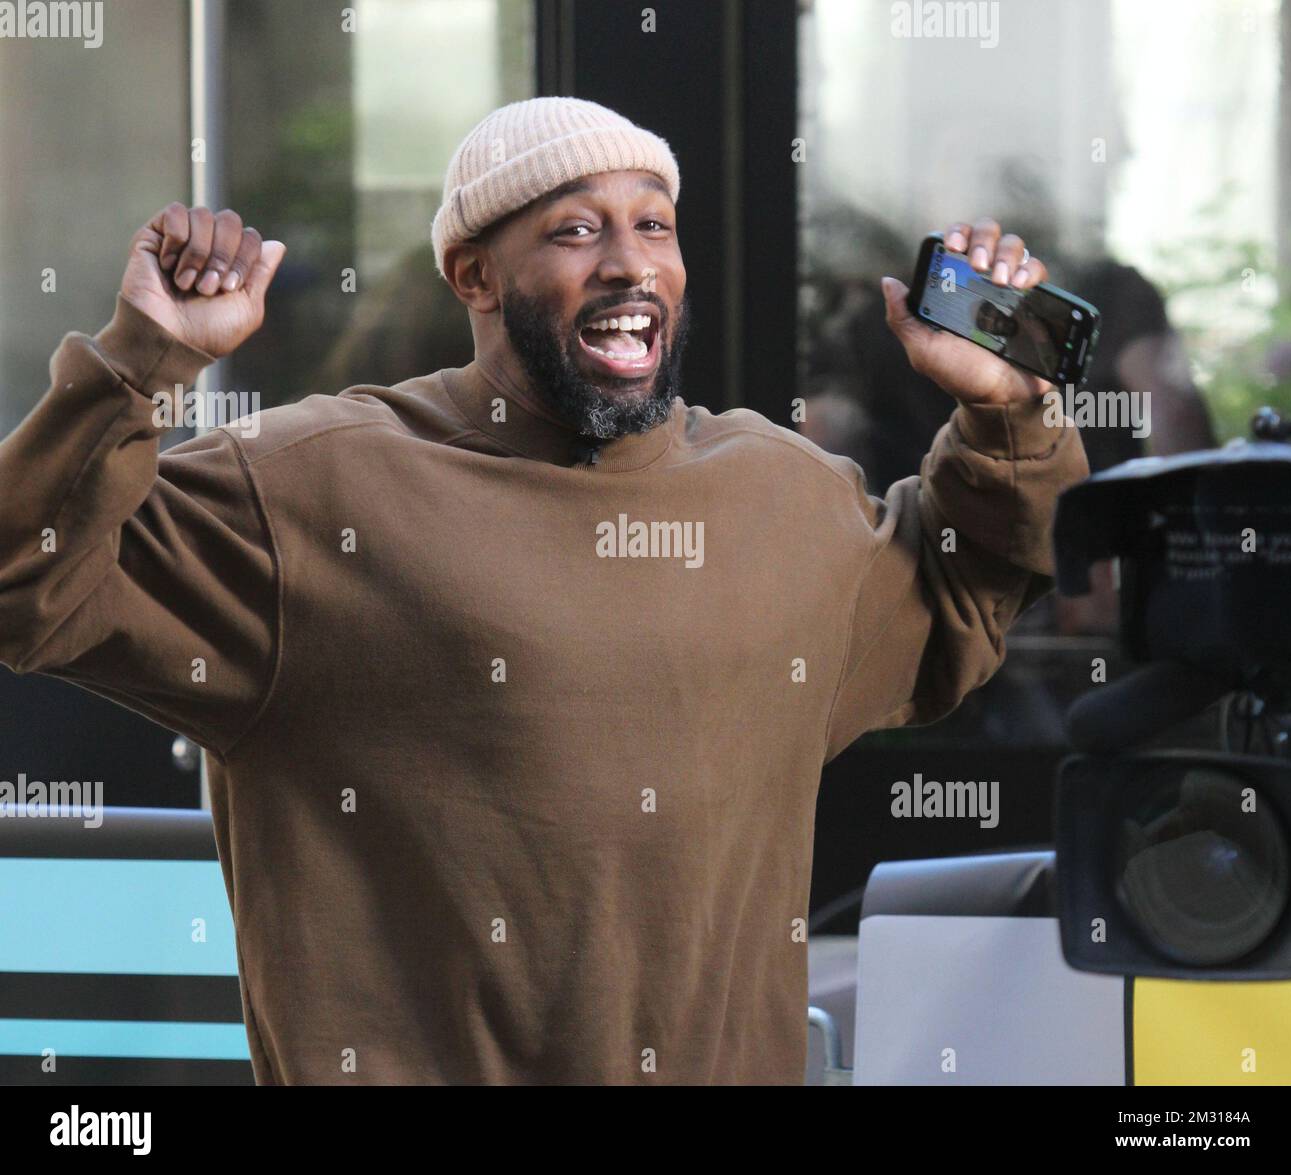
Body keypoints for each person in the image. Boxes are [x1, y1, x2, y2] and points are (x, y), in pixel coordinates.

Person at [0, 96, 1088, 1084]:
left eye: (653, 224)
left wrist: (1007, 409)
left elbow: (964, 598)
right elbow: (25, 578)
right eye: (574, 229)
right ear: (473, 276)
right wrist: (139, 362)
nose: (629, 263)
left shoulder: (782, 496)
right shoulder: (306, 486)